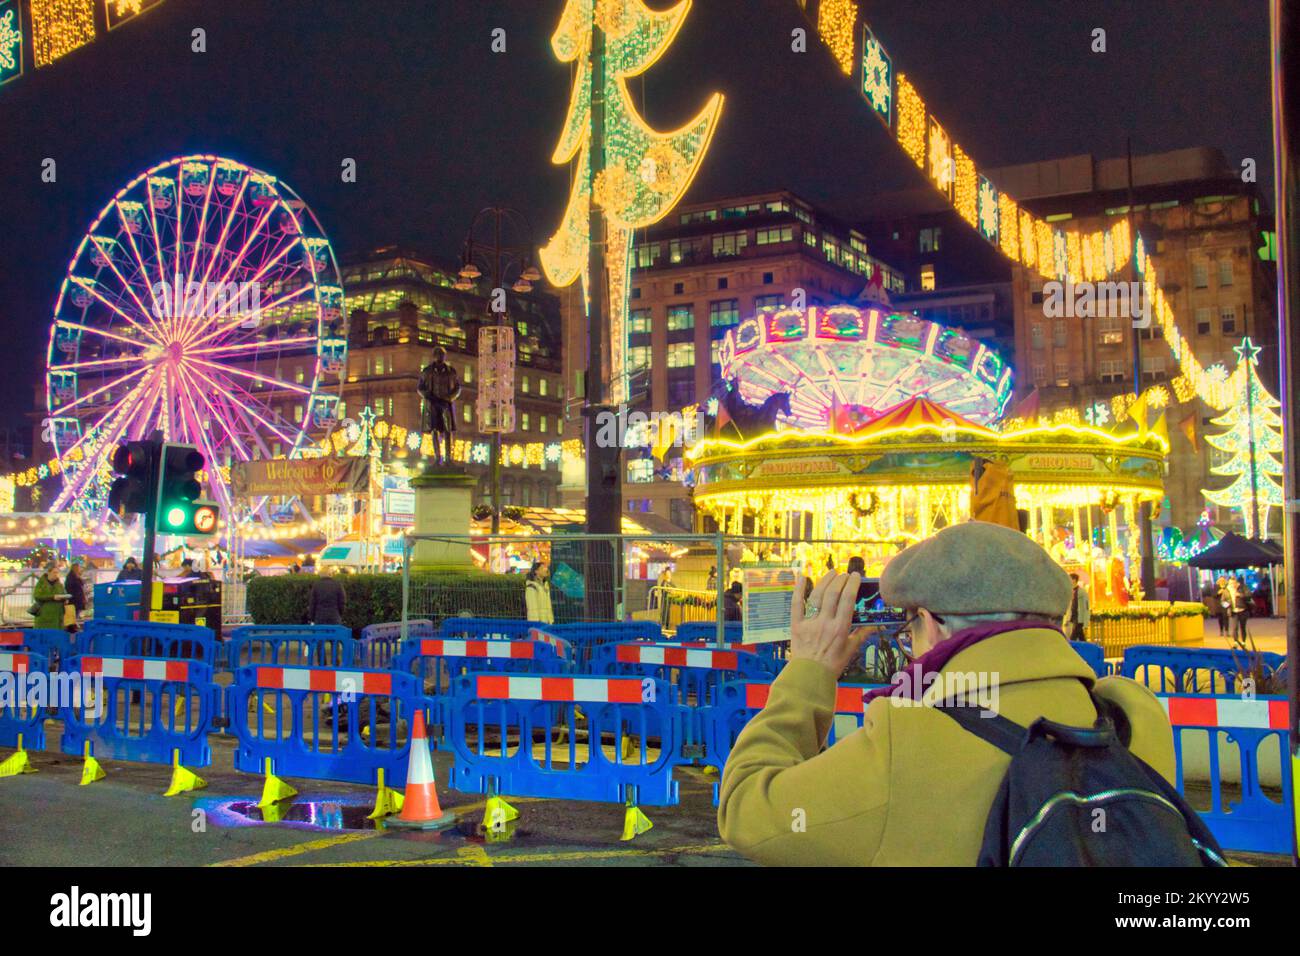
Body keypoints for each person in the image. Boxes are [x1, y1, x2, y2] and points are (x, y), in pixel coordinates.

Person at [717, 521, 1178, 866]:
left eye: (909, 625)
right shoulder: (1130, 714)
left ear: (933, 625)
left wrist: (809, 671)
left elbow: (746, 810)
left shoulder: (907, 742)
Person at [418, 345, 462, 466]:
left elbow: (458, 387)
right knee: (434, 431)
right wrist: (427, 395)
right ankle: (438, 458)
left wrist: (449, 397)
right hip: (432, 404)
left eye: (442, 355)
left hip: (445, 404)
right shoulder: (427, 371)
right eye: (438, 354)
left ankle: (448, 458)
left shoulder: (451, 371)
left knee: (448, 431)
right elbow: (420, 387)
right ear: (434, 356)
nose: (440, 357)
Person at [31, 562, 70, 630]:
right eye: (54, 572)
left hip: (57, 617)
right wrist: (52, 597)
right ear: (49, 572)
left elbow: (64, 593)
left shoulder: (59, 584)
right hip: (44, 616)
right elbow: (37, 596)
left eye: (57, 573)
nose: (56, 574)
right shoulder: (41, 584)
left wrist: (65, 598)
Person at [1061, 572, 1091, 642]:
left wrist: (1086, 621)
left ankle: (1071, 647)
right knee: (1081, 637)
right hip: (1073, 617)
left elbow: (1086, 607)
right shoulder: (1070, 591)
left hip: (1079, 617)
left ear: (1074, 580)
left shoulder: (1082, 592)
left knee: (1073, 637)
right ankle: (1084, 648)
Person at [64, 560, 87, 629]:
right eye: (79, 568)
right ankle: (72, 630)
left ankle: (73, 628)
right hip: (74, 600)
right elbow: (72, 587)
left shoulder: (74, 577)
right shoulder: (72, 578)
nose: (80, 569)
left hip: (76, 600)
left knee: (75, 616)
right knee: (73, 617)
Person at [1229, 575, 1251, 647]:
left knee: (1242, 627)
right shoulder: (1228, 590)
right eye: (1230, 583)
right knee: (1234, 627)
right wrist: (1227, 607)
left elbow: (1248, 595)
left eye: (1233, 583)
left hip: (1242, 610)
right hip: (1233, 611)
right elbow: (1223, 601)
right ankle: (1235, 642)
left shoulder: (1243, 587)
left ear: (1237, 583)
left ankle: (1243, 642)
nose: (1232, 585)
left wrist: (1240, 595)